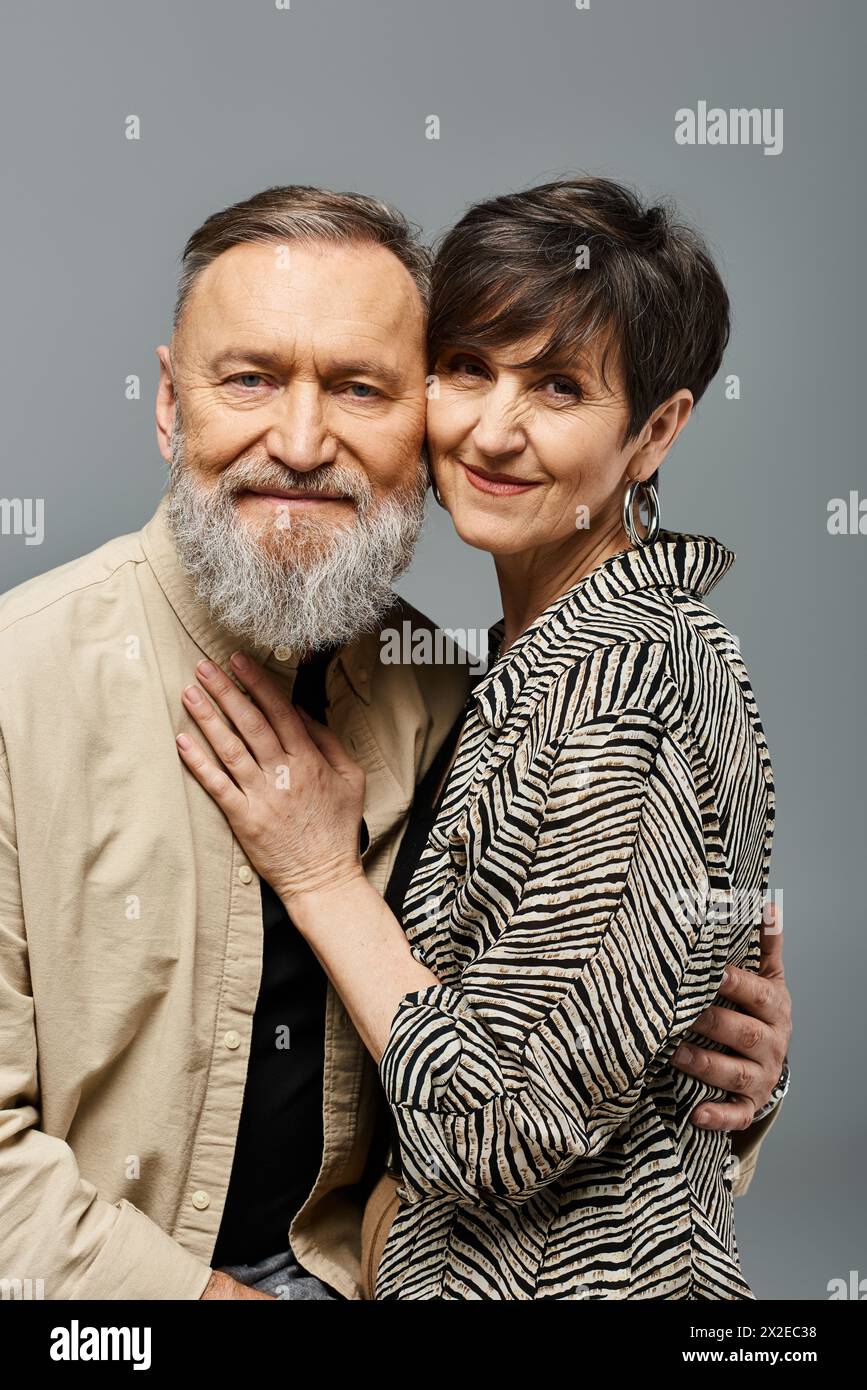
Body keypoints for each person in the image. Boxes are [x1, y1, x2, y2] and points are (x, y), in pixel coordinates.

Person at [0, 184, 788, 1303]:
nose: (303, 439)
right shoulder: (15, 686)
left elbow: (537, 1102)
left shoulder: (471, 692)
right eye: (251, 379)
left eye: (360, 387)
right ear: (169, 403)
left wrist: (724, 1073)